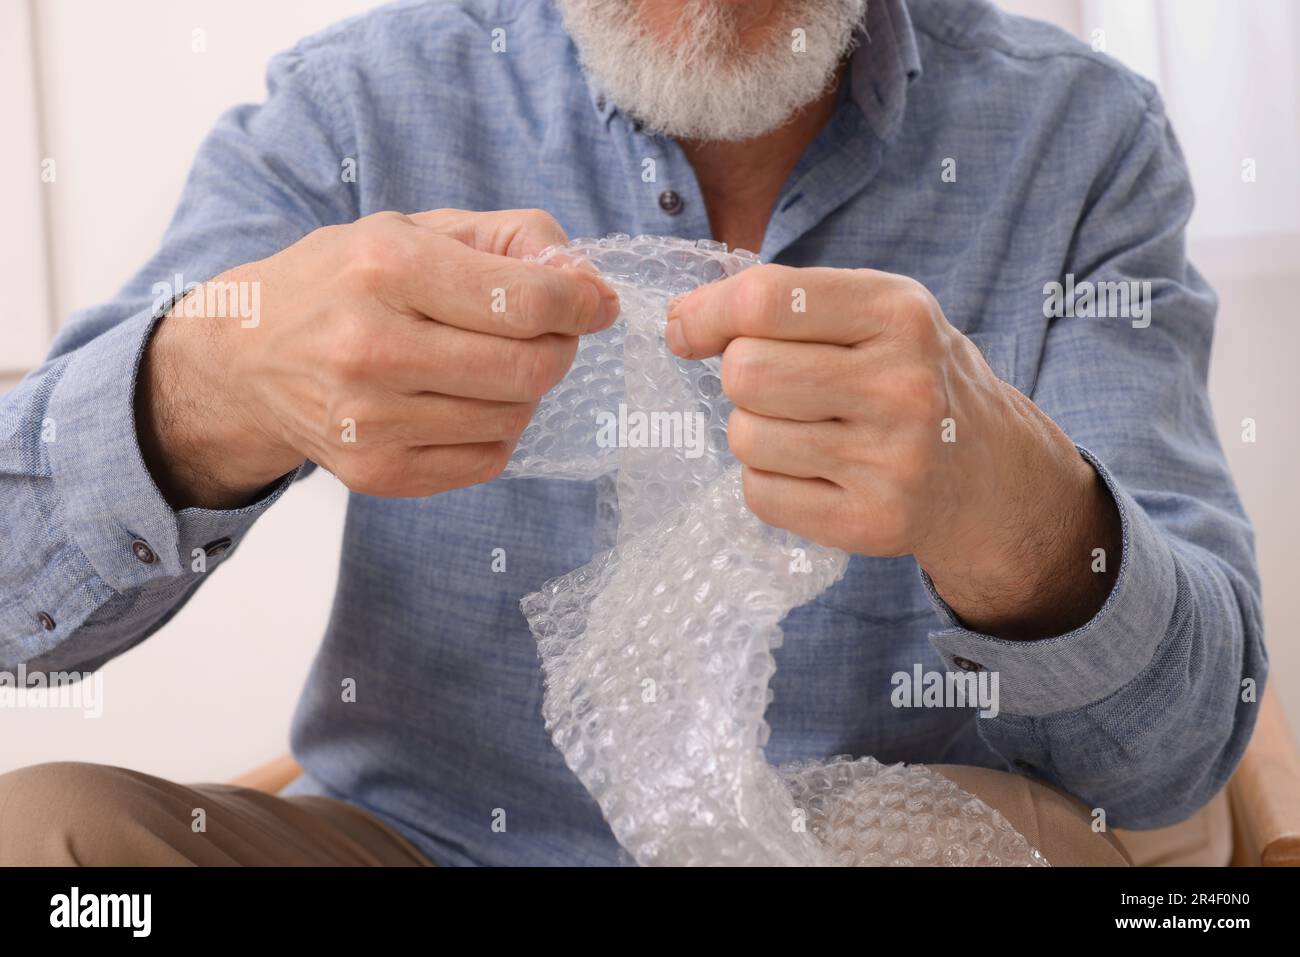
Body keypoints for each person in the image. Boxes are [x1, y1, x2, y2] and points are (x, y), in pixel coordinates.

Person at [0, 0, 1262, 866]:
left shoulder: (1079, 139)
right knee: (48, 842)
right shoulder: (355, 111)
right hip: (422, 842)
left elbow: (1183, 752)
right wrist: (210, 383)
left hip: (868, 845)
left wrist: (1014, 510)